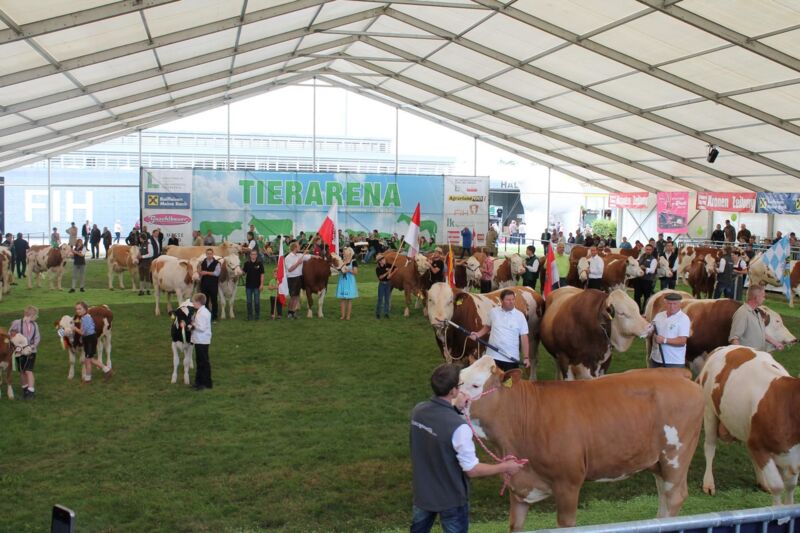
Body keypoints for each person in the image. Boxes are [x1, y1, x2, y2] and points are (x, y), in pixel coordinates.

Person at [410, 363, 524, 533]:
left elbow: (439, 427)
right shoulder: (460, 428)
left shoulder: (418, 411)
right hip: (451, 501)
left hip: (423, 494)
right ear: (453, 391)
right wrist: (505, 467)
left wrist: (455, 409)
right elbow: (472, 470)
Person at [469, 289, 530, 371]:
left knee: (509, 380)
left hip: (511, 358)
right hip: (492, 356)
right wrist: (478, 334)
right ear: (501, 300)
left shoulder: (520, 316)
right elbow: (488, 326)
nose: (511, 302)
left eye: (513, 299)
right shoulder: (493, 312)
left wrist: (526, 357)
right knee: (490, 379)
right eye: (508, 300)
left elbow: (524, 337)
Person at [729, 286, 784, 351]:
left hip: (757, 355)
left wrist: (776, 343)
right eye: (763, 296)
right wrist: (741, 354)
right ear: (756, 297)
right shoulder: (742, 313)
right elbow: (734, 339)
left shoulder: (757, 312)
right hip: (747, 355)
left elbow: (761, 333)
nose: (764, 299)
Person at [73, 301, 114, 383]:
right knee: (88, 359)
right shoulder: (84, 317)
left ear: (85, 309)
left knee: (89, 359)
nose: (78, 311)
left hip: (90, 339)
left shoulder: (86, 319)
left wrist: (74, 329)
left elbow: (83, 332)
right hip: (88, 338)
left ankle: (107, 370)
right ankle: (88, 379)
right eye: (76, 309)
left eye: (80, 309)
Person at [649, 293, 690, 368]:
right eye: (669, 304)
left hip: (673, 362)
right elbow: (651, 329)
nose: (672, 307)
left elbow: (682, 341)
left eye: (675, 304)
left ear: (680, 304)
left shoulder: (683, 319)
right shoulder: (659, 315)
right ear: (665, 303)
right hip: (655, 358)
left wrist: (664, 340)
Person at [9, 306, 41, 399]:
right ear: (30, 315)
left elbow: (37, 337)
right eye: (35, 315)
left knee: (28, 370)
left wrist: (33, 346)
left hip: (31, 351)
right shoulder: (17, 323)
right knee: (22, 371)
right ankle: (25, 389)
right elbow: (10, 334)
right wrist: (16, 343)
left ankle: (31, 391)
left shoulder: (35, 325)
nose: (36, 317)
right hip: (19, 352)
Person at [190, 293, 213, 390]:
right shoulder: (200, 312)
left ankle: (204, 383)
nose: (193, 303)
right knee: (200, 361)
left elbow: (202, 328)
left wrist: (192, 325)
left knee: (203, 362)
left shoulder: (203, 313)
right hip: (199, 340)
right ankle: (199, 381)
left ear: (198, 302)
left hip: (202, 340)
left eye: (194, 302)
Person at [286, 242, 311, 319]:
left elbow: (310, 256)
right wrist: (298, 263)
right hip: (292, 278)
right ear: (295, 248)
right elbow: (290, 269)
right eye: (298, 246)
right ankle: (289, 312)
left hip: (299, 277)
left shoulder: (300, 255)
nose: (299, 247)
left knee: (297, 296)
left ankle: (293, 312)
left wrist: (318, 257)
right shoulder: (288, 257)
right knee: (293, 296)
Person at [335, 247, 359, 320]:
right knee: (342, 299)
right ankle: (342, 315)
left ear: (350, 253)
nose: (344, 253)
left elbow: (355, 272)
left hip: (349, 281)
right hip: (342, 281)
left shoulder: (353, 261)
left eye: (345, 252)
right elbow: (339, 270)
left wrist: (348, 270)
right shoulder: (342, 261)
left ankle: (348, 316)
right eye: (344, 252)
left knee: (349, 299)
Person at [198, 248, 221, 321]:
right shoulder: (203, 262)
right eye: (208, 254)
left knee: (214, 301)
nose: (209, 255)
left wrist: (206, 273)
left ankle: (214, 317)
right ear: (206, 254)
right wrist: (199, 272)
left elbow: (217, 273)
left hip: (213, 285)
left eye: (210, 254)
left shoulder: (217, 263)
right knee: (205, 301)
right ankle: (206, 316)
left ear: (213, 254)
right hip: (204, 284)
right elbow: (200, 272)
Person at [634, 244, 657, 313]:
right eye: (647, 249)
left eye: (650, 250)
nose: (648, 251)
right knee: (637, 296)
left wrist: (645, 268)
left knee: (646, 297)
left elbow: (652, 270)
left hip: (647, 280)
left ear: (652, 251)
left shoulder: (654, 260)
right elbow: (637, 262)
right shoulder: (641, 256)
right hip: (638, 279)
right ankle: (638, 310)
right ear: (645, 250)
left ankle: (644, 311)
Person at [242, 249, 264, 321]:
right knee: (249, 302)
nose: (253, 255)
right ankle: (249, 315)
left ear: (256, 255)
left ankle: (257, 315)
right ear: (250, 255)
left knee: (257, 302)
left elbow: (262, 275)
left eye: (255, 254)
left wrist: (261, 284)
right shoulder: (246, 263)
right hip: (248, 286)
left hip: (257, 286)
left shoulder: (260, 264)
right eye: (252, 254)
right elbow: (244, 273)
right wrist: (241, 271)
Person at [375, 253, 393, 319]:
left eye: (384, 259)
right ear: (379, 261)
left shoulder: (388, 265)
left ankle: (386, 313)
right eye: (383, 259)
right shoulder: (378, 269)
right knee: (380, 299)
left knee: (387, 299)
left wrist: (391, 274)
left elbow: (395, 268)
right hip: (382, 284)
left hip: (388, 284)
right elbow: (380, 277)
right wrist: (387, 273)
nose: (384, 260)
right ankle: (378, 313)